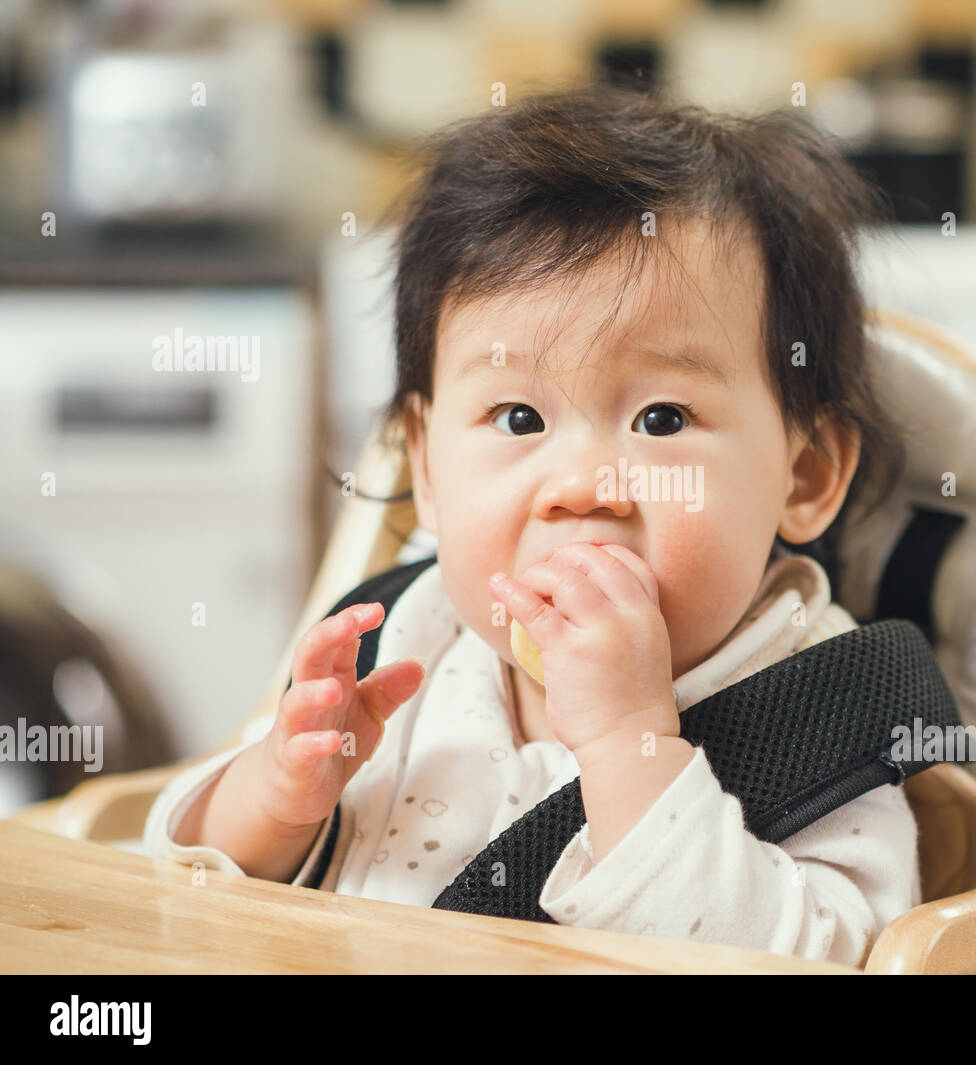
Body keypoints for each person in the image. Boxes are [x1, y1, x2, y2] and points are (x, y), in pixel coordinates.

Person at [144, 84, 921, 966]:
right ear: (426, 471)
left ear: (806, 474)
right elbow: (190, 888)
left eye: (662, 419)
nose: (584, 486)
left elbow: (828, 957)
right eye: (518, 418)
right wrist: (278, 802)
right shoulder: (407, 640)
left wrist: (633, 743)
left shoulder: (825, 707)